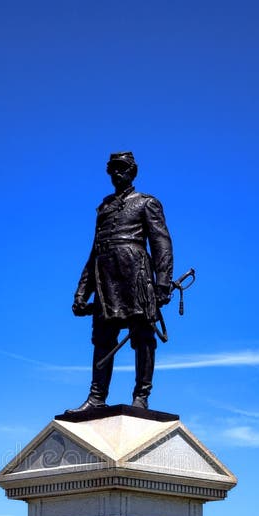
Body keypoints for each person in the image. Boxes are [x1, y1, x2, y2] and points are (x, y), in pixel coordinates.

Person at [67, 151, 173, 412]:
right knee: (102, 337)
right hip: (106, 280)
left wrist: (163, 283)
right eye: (112, 169)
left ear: (132, 172)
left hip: (136, 277)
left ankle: (141, 395)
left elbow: (161, 243)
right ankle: (96, 397)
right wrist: (82, 291)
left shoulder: (147, 203)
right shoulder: (104, 207)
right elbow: (95, 251)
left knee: (143, 336)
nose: (117, 173)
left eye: (122, 168)